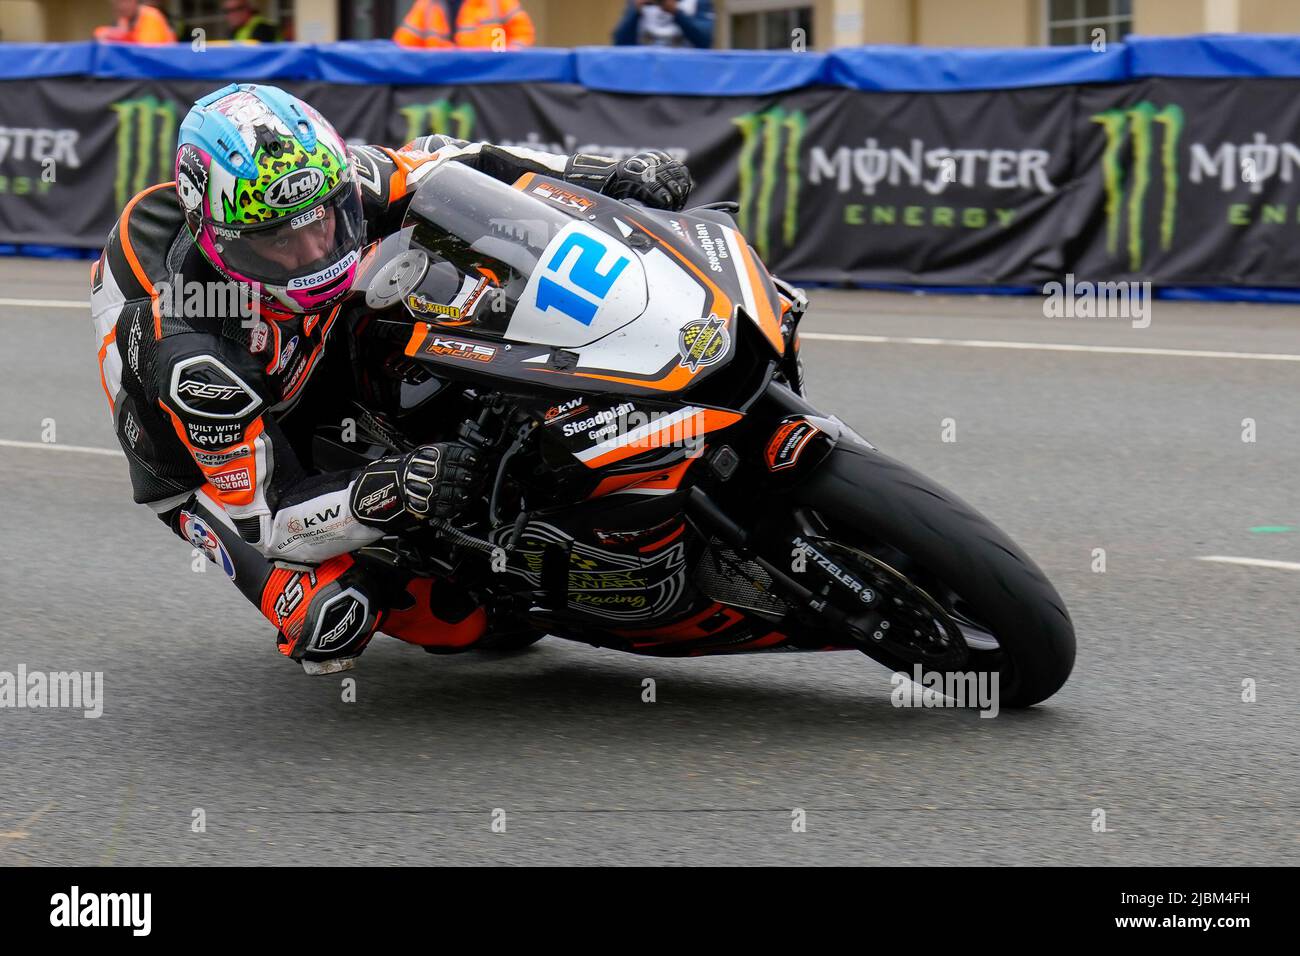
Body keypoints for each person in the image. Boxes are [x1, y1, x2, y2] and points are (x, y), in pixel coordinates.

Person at [90, 83, 693, 674]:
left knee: (442, 265)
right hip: (212, 460)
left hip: (307, 332)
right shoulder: (194, 353)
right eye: (278, 240)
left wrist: (601, 174)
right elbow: (268, 518)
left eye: (321, 220)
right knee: (351, 615)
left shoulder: (322, 179)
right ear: (221, 242)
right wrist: (394, 486)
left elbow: (464, 163)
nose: (311, 252)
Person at [393, 0, 534, 48]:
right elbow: (403, 46)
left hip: (490, 85)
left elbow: (523, 34)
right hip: (442, 87)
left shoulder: (496, 1)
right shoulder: (428, 4)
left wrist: (504, 60)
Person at [613, 0, 714, 49]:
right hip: (645, 74)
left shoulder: (698, 2)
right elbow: (620, 43)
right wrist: (635, 11)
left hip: (684, 74)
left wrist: (676, 13)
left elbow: (705, 41)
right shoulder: (637, 4)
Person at [93, 0, 177, 43]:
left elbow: (147, 51)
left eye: (124, 1)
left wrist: (120, 36)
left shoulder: (151, 17)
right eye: (117, 3)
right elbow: (102, 35)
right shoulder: (124, 20)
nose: (121, 7)